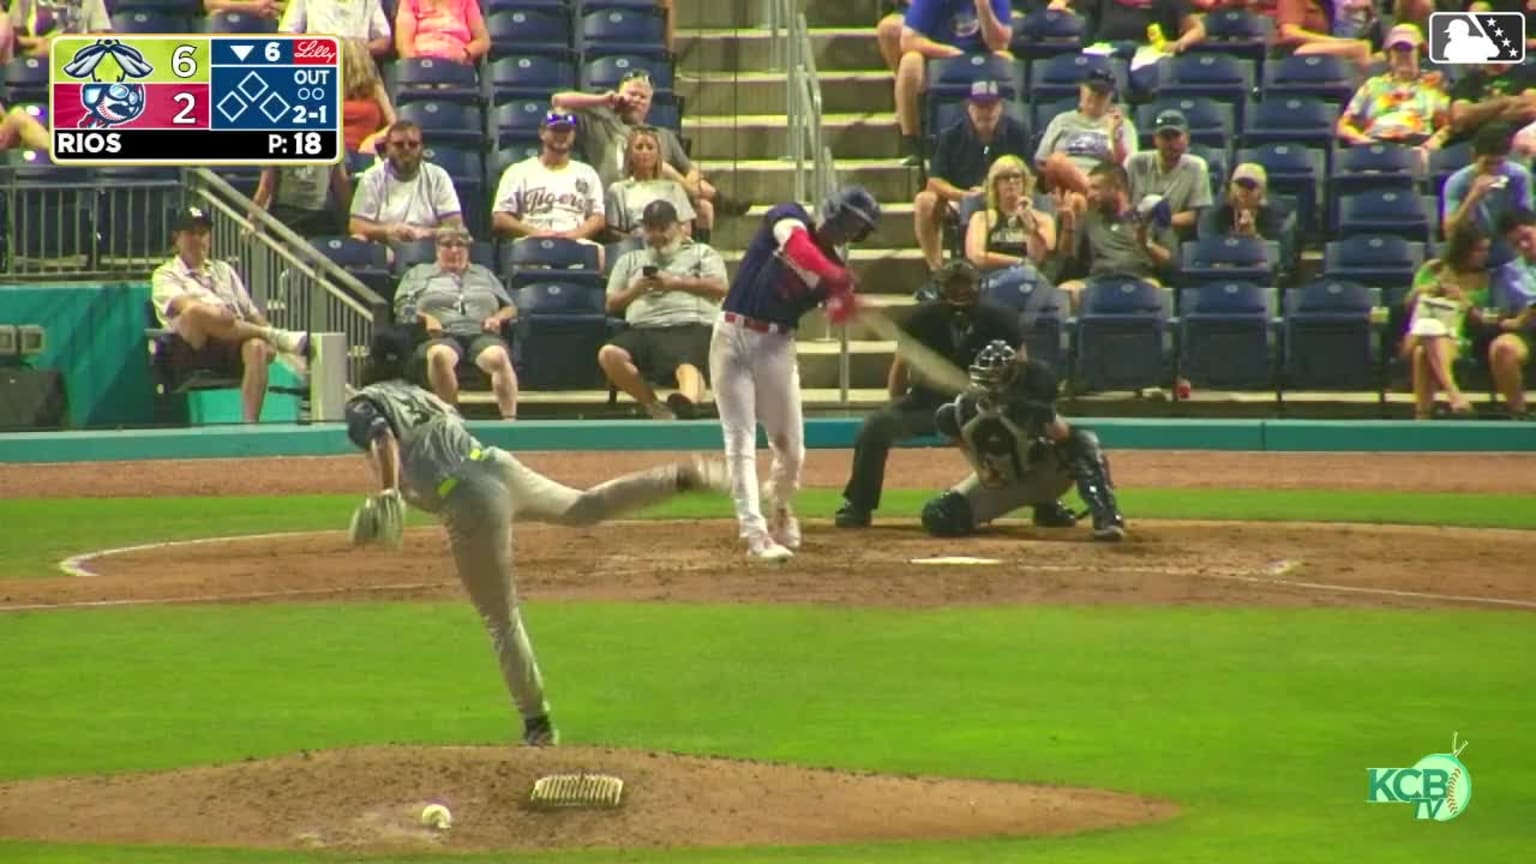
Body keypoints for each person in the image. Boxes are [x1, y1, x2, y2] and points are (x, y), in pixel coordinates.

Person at [344, 326, 728, 747]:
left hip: (468, 499)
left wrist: (387, 490)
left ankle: (537, 725)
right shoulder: (426, 396)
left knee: (501, 618)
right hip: (497, 465)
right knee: (584, 507)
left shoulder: (363, 402)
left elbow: (382, 436)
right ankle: (676, 478)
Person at [711, 185, 882, 562]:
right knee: (739, 439)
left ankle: (780, 506)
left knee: (791, 450)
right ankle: (754, 533)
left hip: (776, 345)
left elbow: (833, 311)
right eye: (850, 221)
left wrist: (846, 302)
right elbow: (799, 249)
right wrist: (836, 276)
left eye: (858, 228)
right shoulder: (789, 216)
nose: (850, 231)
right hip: (730, 334)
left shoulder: (833, 266)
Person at [836, 259, 1024, 528]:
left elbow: (1022, 365)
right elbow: (900, 366)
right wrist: (895, 406)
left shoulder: (1000, 318)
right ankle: (859, 504)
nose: (960, 292)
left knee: (1027, 432)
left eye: (966, 286)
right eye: (954, 287)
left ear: (978, 287)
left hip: (984, 407)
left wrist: (1013, 407)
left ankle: (1046, 503)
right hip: (929, 404)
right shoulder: (921, 318)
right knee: (875, 427)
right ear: (941, 288)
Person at [921, 340, 1127, 540]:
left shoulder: (1032, 406)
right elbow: (959, 437)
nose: (989, 387)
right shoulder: (960, 410)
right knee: (940, 516)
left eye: (995, 379)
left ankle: (1106, 516)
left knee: (1083, 441)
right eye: (986, 379)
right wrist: (981, 469)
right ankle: (1046, 509)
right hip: (1004, 481)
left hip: (1044, 476)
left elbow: (1067, 437)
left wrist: (1033, 420)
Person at [150, 207, 310, 423]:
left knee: (256, 346)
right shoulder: (165, 274)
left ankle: (250, 426)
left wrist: (264, 334)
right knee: (196, 312)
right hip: (193, 347)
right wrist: (218, 312)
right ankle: (275, 335)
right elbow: (184, 305)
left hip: (230, 346)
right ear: (176, 238)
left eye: (202, 233)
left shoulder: (224, 270)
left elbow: (251, 313)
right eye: (190, 233)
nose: (197, 239)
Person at [600, 200, 726, 420]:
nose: (657, 235)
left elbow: (720, 288)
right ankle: (656, 407)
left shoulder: (702, 253)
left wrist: (675, 283)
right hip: (643, 329)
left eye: (663, 228)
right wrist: (636, 290)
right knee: (609, 354)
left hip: (690, 325)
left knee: (687, 365)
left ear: (679, 227)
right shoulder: (629, 260)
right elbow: (611, 304)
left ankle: (686, 404)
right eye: (650, 229)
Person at [393, 225, 520, 419]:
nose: (454, 250)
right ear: (437, 249)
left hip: (481, 333)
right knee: (439, 355)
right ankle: (452, 418)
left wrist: (497, 318)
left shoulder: (483, 274)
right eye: (447, 245)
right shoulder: (419, 273)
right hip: (441, 335)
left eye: (461, 245)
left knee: (498, 356)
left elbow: (510, 308)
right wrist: (426, 318)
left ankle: (510, 420)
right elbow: (402, 308)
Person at [917, 79, 1031, 271]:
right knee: (924, 201)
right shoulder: (951, 135)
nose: (986, 112)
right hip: (962, 197)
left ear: (1000, 107)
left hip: (1008, 197)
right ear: (970, 108)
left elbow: (1030, 174)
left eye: (991, 106)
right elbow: (935, 181)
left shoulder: (1018, 133)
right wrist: (965, 196)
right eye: (980, 106)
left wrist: (999, 192)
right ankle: (938, 271)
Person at [895, 0, 1014, 165]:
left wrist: (983, 8)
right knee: (910, 61)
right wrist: (949, 52)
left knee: (1006, 59)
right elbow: (908, 40)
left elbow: (1000, 44)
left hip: (983, 57)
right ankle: (913, 141)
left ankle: (1009, 139)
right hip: (941, 58)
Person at [491, 111, 607, 264]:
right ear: (542, 133)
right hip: (531, 241)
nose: (561, 136)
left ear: (573, 135)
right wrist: (534, 232)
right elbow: (500, 218)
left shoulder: (587, 173)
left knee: (598, 252)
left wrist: (575, 234)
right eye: (555, 130)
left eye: (566, 131)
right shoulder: (518, 171)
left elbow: (598, 218)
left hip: (575, 241)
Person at [1401, 224, 1490, 419]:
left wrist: (1465, 302)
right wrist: (1421, 291)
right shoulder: (1433, 269)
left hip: (1456, 338)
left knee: (1423, 352)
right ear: (1463, 249)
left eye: (1486, 250)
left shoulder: (1484, 279)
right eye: (1479, 250)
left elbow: (1484, 322)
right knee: (1427, 333)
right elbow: (1407, 307)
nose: (1484, 255)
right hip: (1416, 332)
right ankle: (1454, 394)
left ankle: (1422, 416)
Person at [1336, 24, 1452, 155]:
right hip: (1376, 145)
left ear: (1419, 53)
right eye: (1397, 49)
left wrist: (1431, 144)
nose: (1403, 54)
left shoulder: (1432, 85)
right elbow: (1343, 126)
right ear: (1389, 55)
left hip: (1416, 145)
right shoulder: (1373, 85)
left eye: (1408, 49)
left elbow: (1449, 125)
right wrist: (1363, 141)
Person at [348, 120, 465, 243]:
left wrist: (424, 233)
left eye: (413, 145)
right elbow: (356, 226)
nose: (406, 149)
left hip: (429, 246)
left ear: (422, 147)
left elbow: (455, 226)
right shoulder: (372, 177)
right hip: (384, 246)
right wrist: (387, 231)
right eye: (399, 145)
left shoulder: (438, 176)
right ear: (388, 148)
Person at [1442, 124, 1534, 270]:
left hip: (1509, 255)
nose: (1493, 169)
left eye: (1499, 163)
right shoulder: (1458, 182)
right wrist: (1473, 196)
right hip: (1471, 257)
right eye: (1487, 163)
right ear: (1474, 156)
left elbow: (1527, 221)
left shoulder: (1518, 176)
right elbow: (1451, 233)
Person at [1035, 68, 1137, 198]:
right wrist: (1072, 176)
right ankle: (1091, 194)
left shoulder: (1123, 125)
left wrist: (1115, 136)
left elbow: (1126, 168)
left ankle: (1091, 195)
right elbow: (1042, 162)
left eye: (1102, 93)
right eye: (1092, 90)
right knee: (1057, 160)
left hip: (1105, 185)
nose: (1096, 96)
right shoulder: (1062, 120)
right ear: (1082, 90)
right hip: (1066, 187)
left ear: (1111, 96)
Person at [1124, 109, 1211, 236]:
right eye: (1166, 137)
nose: (1171, 143)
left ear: (1187, 138)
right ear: (1155, 139)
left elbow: (1195, 215)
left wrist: (1164, 220)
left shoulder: (1197, 166)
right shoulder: (1135, 162)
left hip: (1170, 236)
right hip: (1133, 233)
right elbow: (1122, 202)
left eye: (1176, 136)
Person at [604, 126, 697, 238]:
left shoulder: (674, 188)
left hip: (673, 242)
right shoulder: (618, 190)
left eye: (650, 147)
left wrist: (666, 239)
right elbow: (612, 232)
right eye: (639, 147)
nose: (645, 152)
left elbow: (686, 228)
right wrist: (644, 240)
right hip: (635, 243)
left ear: (658, 154)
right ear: (629, 154)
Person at [1489, 210, 1536, 420]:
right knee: (1503, 348)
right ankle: (1519, 415)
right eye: (1516, 243)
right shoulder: (1506, 274)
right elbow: (1502, 317)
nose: (1524, 246)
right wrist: (1517, 321)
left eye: (1527, 237)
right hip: (1526, 332)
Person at [280, 0, 392, 57]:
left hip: (358, 69)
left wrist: (356, 51)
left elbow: (384, 40)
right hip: (318, 65)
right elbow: (286, 33)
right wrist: (319, 49)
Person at [394, 0, 490, 63]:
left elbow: (483, 41)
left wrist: (465, 53)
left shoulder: (466, 2)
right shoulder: (410, 2)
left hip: (457, 66)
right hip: (422, 65)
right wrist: (417, 66)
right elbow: (404, 44)